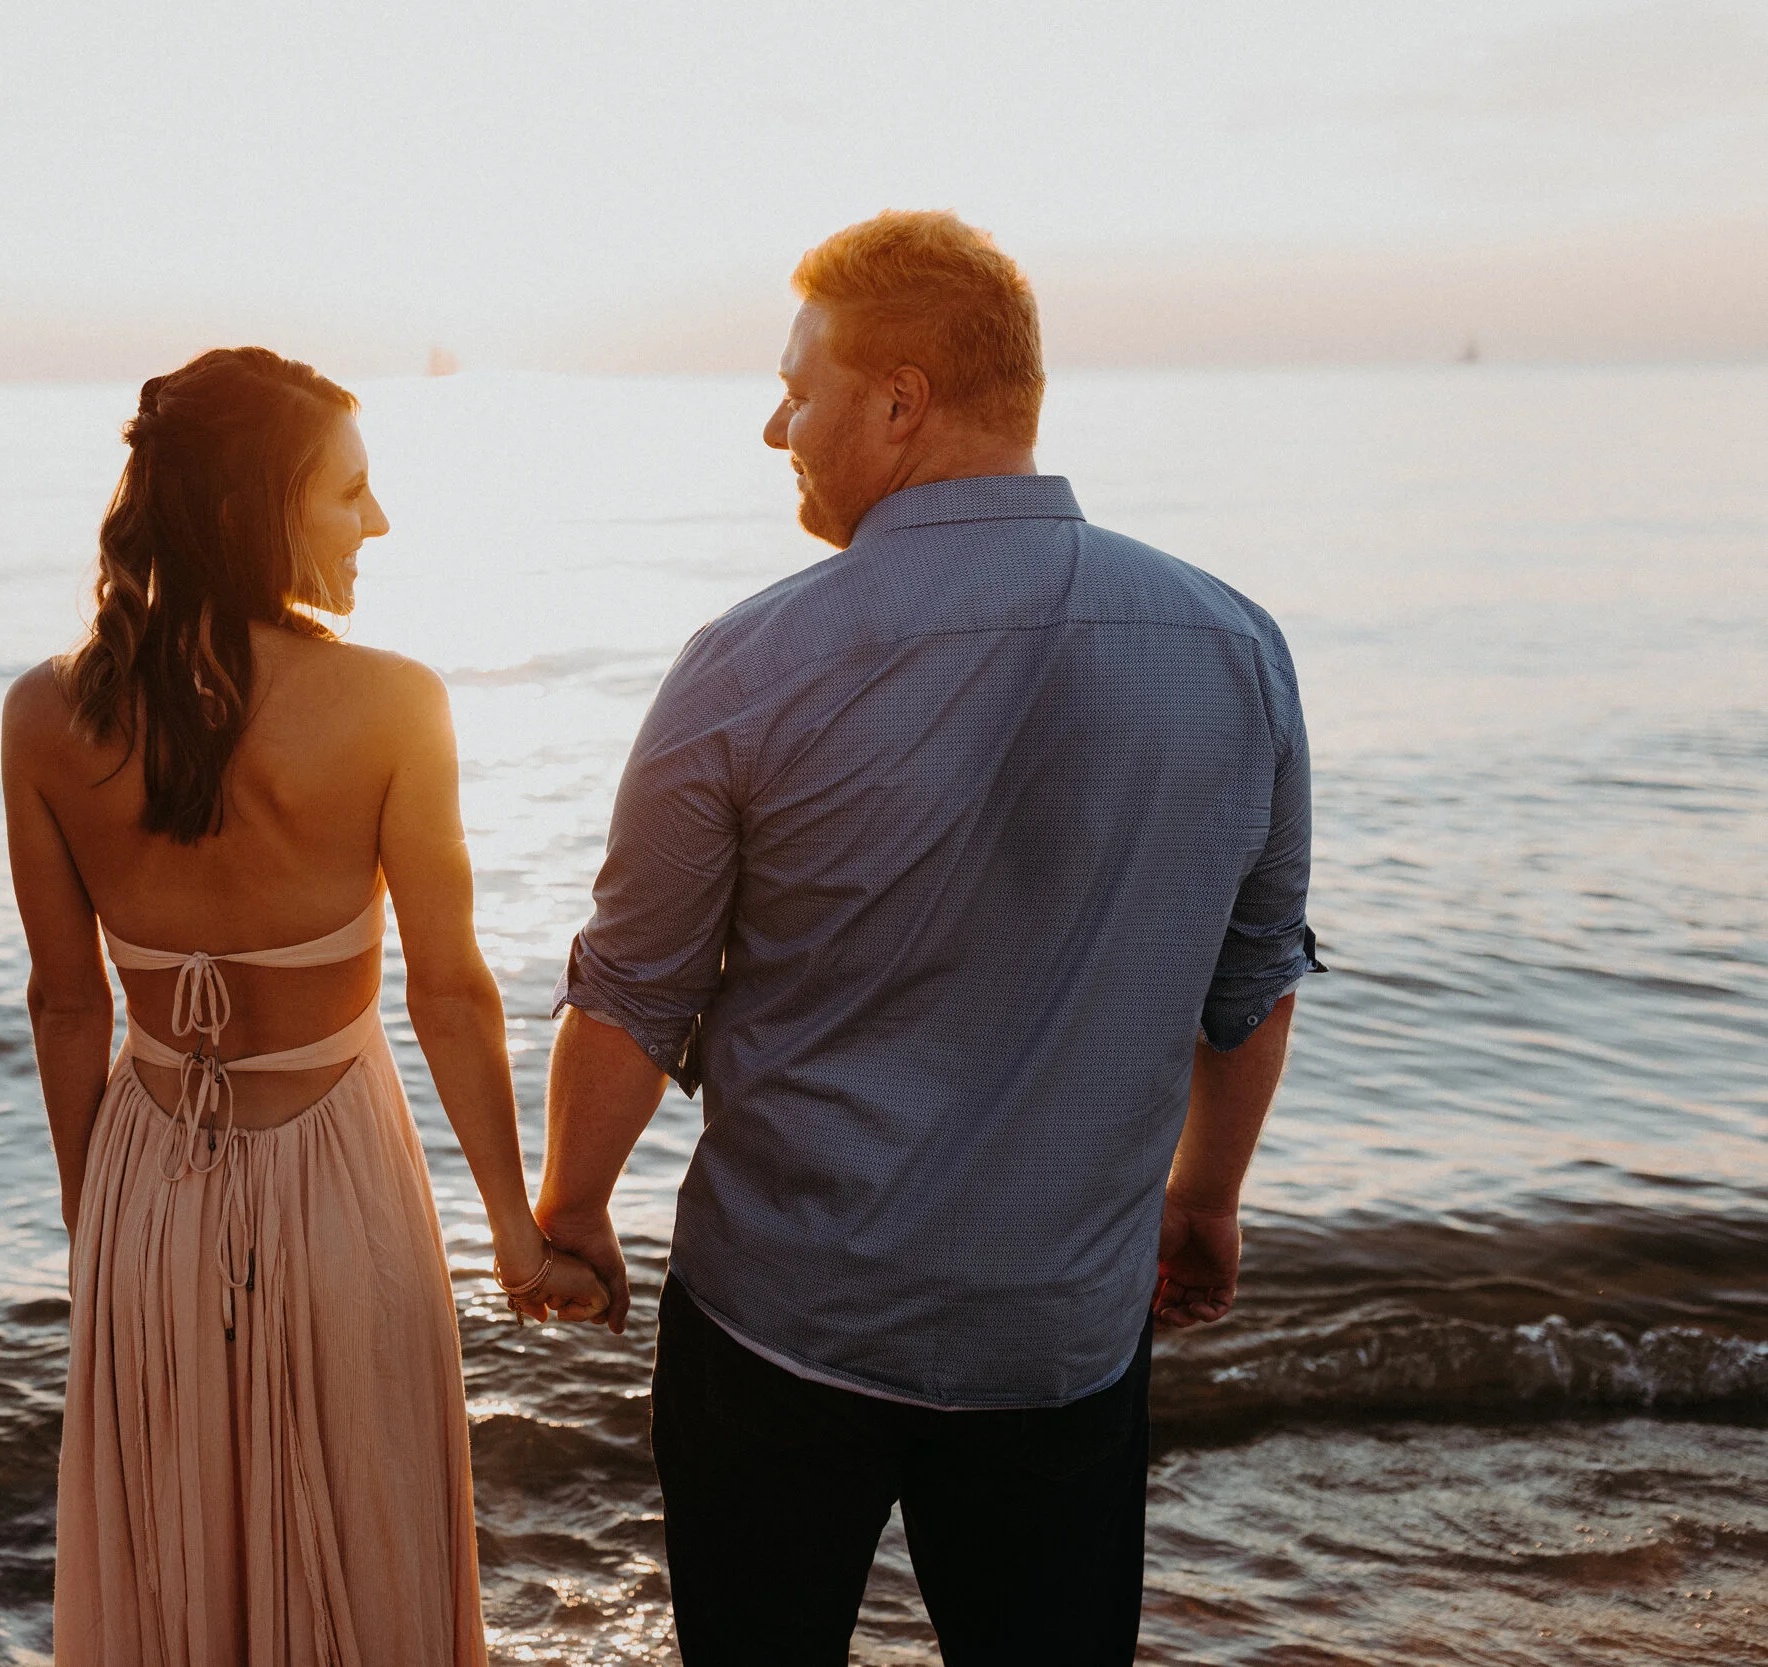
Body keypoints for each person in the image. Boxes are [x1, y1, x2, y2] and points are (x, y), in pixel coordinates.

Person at [534, 212, 1322, 1665]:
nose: (775, 422)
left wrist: (572, 1206)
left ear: (897, 403)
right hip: (1062, 1339)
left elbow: (633, 997)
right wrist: (1203, 1203)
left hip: (780, 1326)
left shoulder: (745, 666)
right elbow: (1252, 982)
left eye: (799, 387)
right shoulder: (1235, 646)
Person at [2, 347, 608, 1666]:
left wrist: (91, 1225)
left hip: (145, 1193)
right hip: (343, 1177)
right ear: (257, 508)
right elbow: (450, 987)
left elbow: (66, 1004)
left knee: (173, 1565)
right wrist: (516, 1225)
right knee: (364, 1544)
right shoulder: (394, 703)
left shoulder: (45, 715)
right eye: (350, 491)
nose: (377, 521)